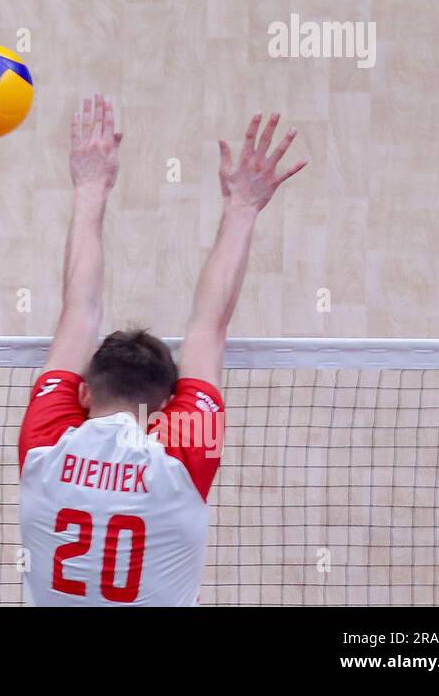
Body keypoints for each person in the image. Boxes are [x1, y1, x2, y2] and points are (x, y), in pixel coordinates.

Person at [18, 99, 306, 605]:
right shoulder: (181, 460)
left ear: (82, 393)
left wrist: (90, 189)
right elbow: (208, 328)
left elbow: (78, 313)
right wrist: (242, 207)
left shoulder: (46, 448)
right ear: (166, 410)